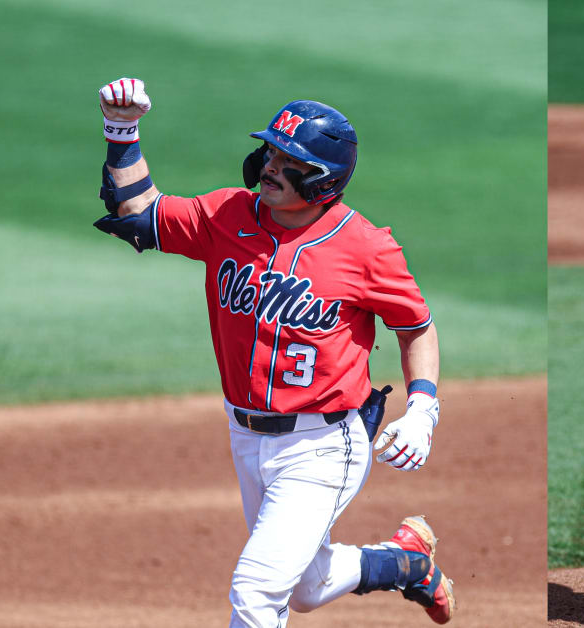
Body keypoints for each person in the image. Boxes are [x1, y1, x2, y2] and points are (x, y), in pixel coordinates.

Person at [92, 77, 456, 626]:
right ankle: (407, 564)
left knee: (258, 590)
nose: (271, 167)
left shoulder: (366, 247)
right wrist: (122, 131)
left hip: (324, 443)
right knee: (307, 587)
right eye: (272, 152)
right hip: (245, 435)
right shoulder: (226, 215)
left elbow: (416, 327)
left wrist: (423, 408)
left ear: (324, 180)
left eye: (291, 162)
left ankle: (403, 564)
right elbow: (136, 215)